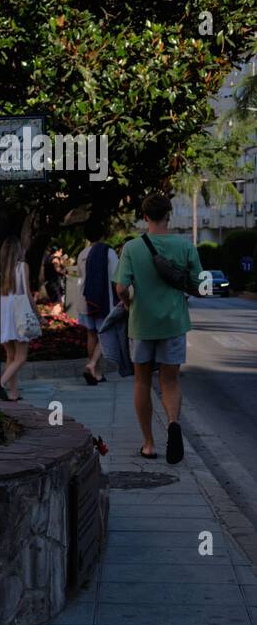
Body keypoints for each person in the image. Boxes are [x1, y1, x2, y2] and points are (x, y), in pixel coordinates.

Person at [113, 194, 203, 464]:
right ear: (169, 215)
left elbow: (120, 287)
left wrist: (128, 304)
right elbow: (199, 284)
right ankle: (174, 423)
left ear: (145, 217)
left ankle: (149, 444)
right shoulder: (185, 245)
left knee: (142, 381)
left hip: (141, 323)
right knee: (170, 381)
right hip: (174, 323)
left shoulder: (132, 248)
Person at [0, 236, 33, 402]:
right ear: (18, 251)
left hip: (3, 315)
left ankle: (13, 393)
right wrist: (37, 313)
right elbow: (26, 293)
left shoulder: (0, 271)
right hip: (18, 314)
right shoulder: (22, 267)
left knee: (11, 355)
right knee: (21, 357)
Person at [75, 221, 117, 385]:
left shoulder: (81, 254)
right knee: (105, 334)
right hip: (103, 300)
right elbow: (116, 277)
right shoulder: (108, 252)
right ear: (102, 234)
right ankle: (92, 365)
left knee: (91, 334)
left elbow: (80, 276)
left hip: (85, 299)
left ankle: (96, 373)